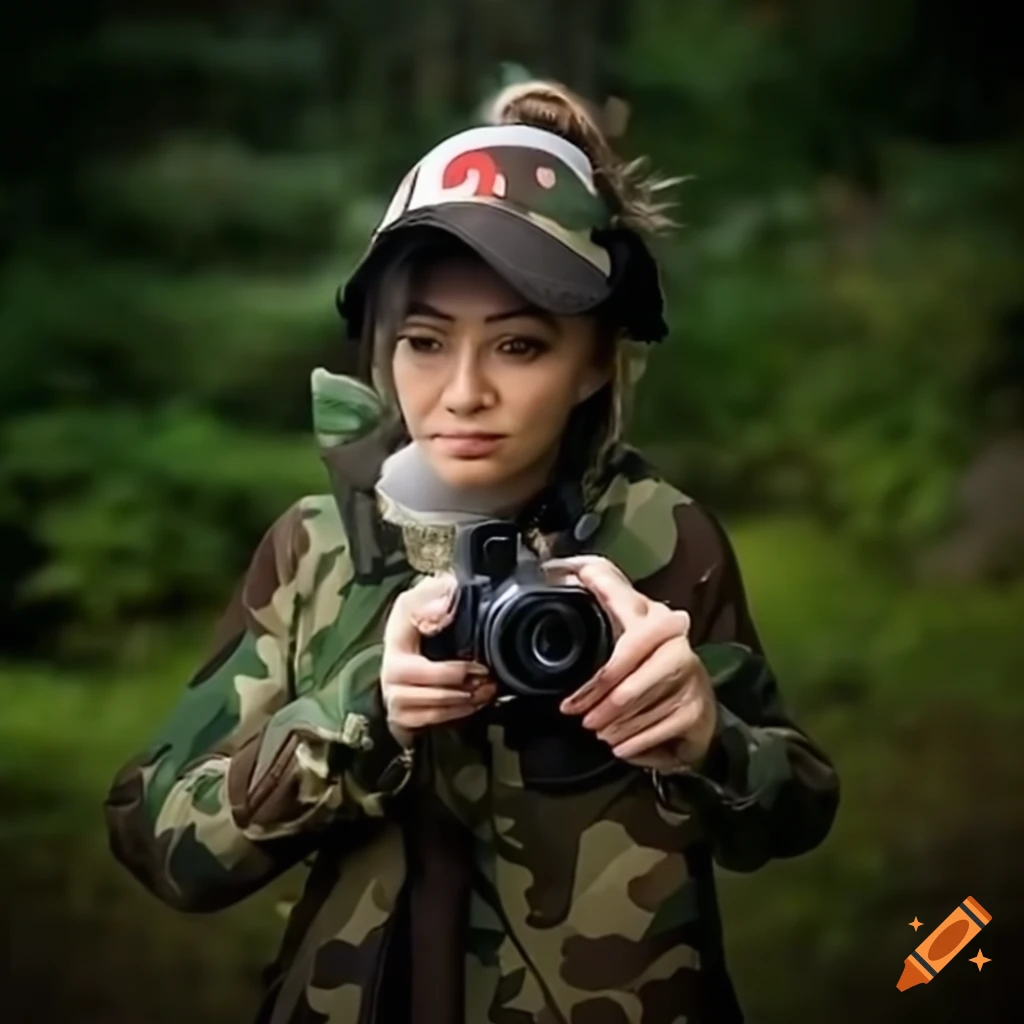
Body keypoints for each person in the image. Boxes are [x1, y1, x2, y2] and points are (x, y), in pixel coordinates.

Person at [105, 79, 839, 1024]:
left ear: (595, 363)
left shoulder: (664, 541)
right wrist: (360, 715)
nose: (462, 393)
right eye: (424, 340)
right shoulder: (317, 550)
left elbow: (796, 807)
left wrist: (709, 738)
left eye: (519, 346)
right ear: (383, 349)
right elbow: (160, 837)